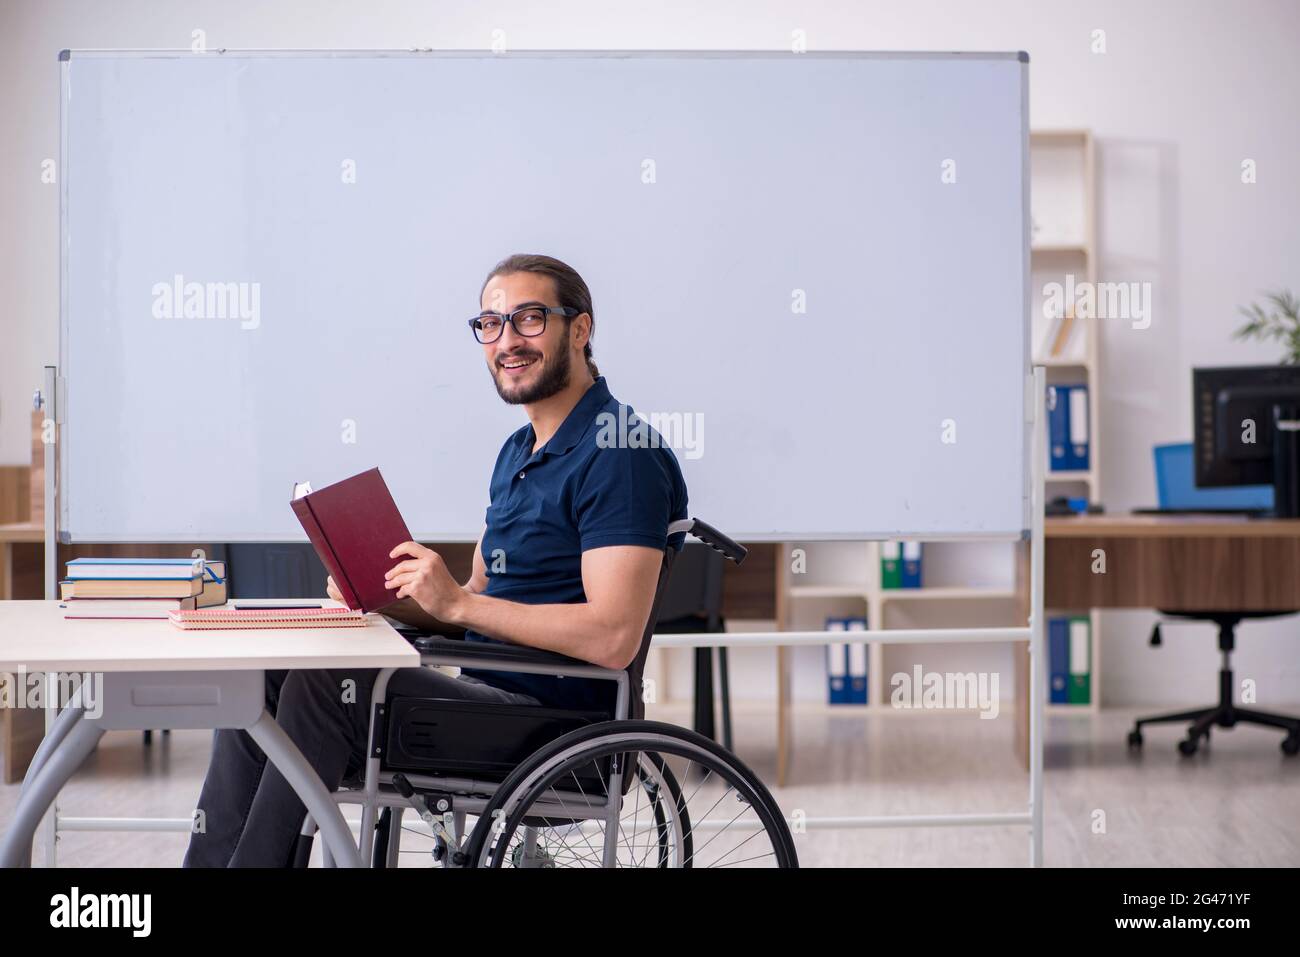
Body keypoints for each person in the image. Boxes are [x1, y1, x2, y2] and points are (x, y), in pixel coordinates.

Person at [184, 254, 688, 866]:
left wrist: (459, 601)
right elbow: (478, 607)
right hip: (487, 698)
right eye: (491, 324)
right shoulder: (519, 451)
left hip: (557, 727)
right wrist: (399, 595)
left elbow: (612, 636)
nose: (507, 341)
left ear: (579, 330)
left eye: (529, 319)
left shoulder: (618, 454)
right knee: (262, 681)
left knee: (324, 689)